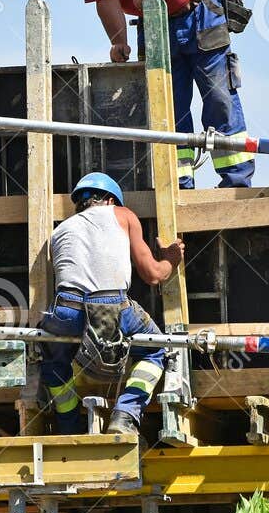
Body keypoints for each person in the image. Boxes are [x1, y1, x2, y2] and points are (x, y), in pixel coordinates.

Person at [74, 0, 255, 189]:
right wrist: (118, 40)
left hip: (199, 14)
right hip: (154, 27)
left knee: (219, 98)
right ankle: (178, 184)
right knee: (167, 108)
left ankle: (236, 183)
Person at [39, 172, 184, 435]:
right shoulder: (123, 214)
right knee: (155, 349)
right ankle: (125, 415)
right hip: (111, 305)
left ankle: (69, 427)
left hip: (65, 309)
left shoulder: (58, 231)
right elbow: (153, 275)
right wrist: (171, 259)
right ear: (109, 200)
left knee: (53, 359)